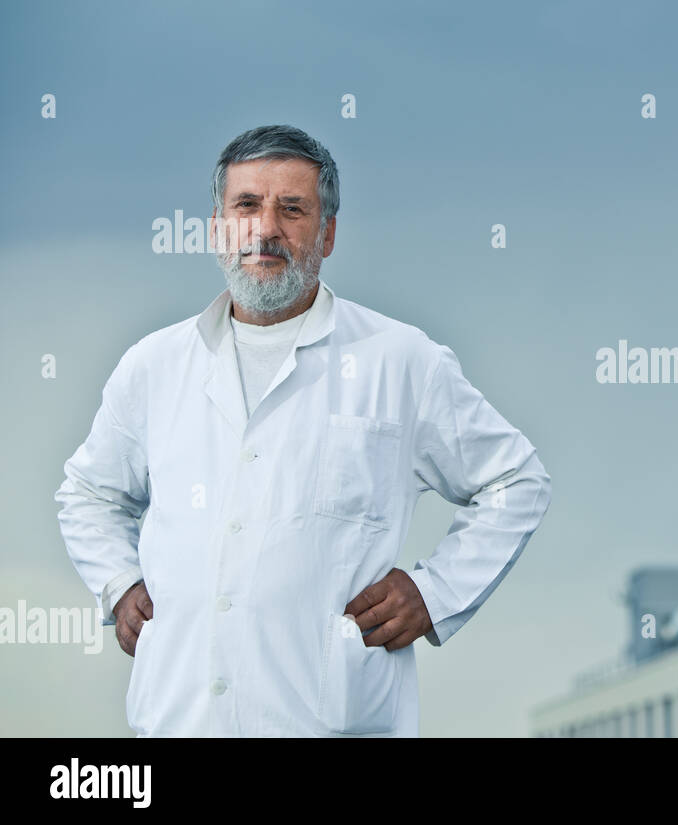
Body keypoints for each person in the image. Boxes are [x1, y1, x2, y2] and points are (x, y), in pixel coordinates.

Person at [54, 124, 552, 736]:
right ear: (216, 229)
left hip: (329, 719)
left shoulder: (397, 360)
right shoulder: (154, 367)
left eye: (292, 209)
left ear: (329, 233)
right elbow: (88, 493)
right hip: (180, 719)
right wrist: (117, 581)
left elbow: (516, 479)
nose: (265, 229)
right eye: (246, 206)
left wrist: (435, 592)